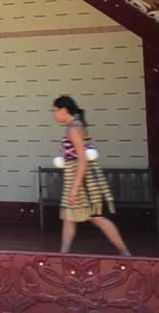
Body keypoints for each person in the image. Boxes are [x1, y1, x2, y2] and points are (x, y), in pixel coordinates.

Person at [52, 95, 131, 255]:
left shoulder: (73, 128)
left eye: (55, 110)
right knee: (69, 216)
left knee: (97, 217)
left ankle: (125, 253)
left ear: (63, 110)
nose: (53, 114)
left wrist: (75, 187)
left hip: (83, 178)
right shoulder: (76, 125)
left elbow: (82, 159)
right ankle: (63, 253)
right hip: (77, 176)